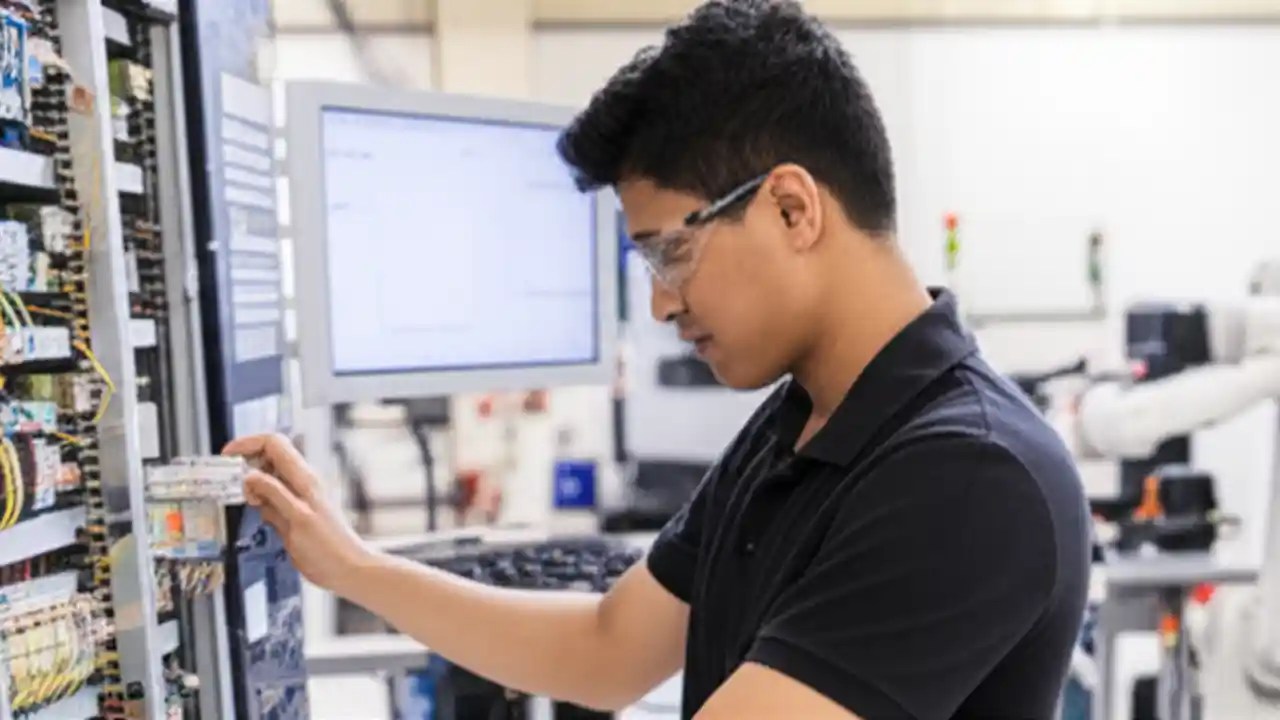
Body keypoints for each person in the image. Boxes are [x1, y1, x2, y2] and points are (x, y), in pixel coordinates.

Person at [225, 1, 1090, 718]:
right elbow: (608, 648)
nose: (661, 304)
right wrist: (353, 568)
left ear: (792, 210)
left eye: (668, 254)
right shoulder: (801, 424)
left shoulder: (969, 475)